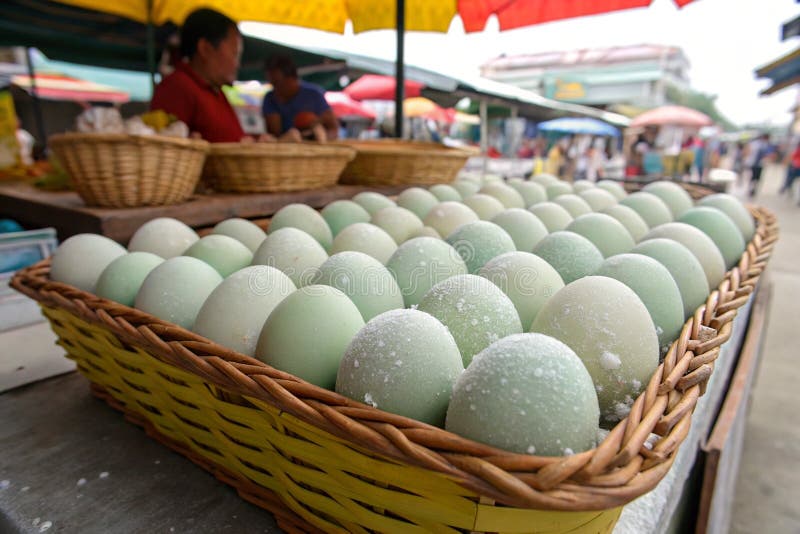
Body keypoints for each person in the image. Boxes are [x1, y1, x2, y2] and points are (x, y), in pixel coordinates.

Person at [150, 9, 246, 143]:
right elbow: (167, 151)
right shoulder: (177, 88)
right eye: (235, 54)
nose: (237, 65)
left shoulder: (217, 91)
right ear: (205, 48)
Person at [262, 55, 338, 142]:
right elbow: (274, 132)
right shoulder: (270, 99)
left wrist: (317, 129)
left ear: (291, 79)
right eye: (271, 83)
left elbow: (333, 128)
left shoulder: (313, 95)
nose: (275, 87)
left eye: (277, 82)